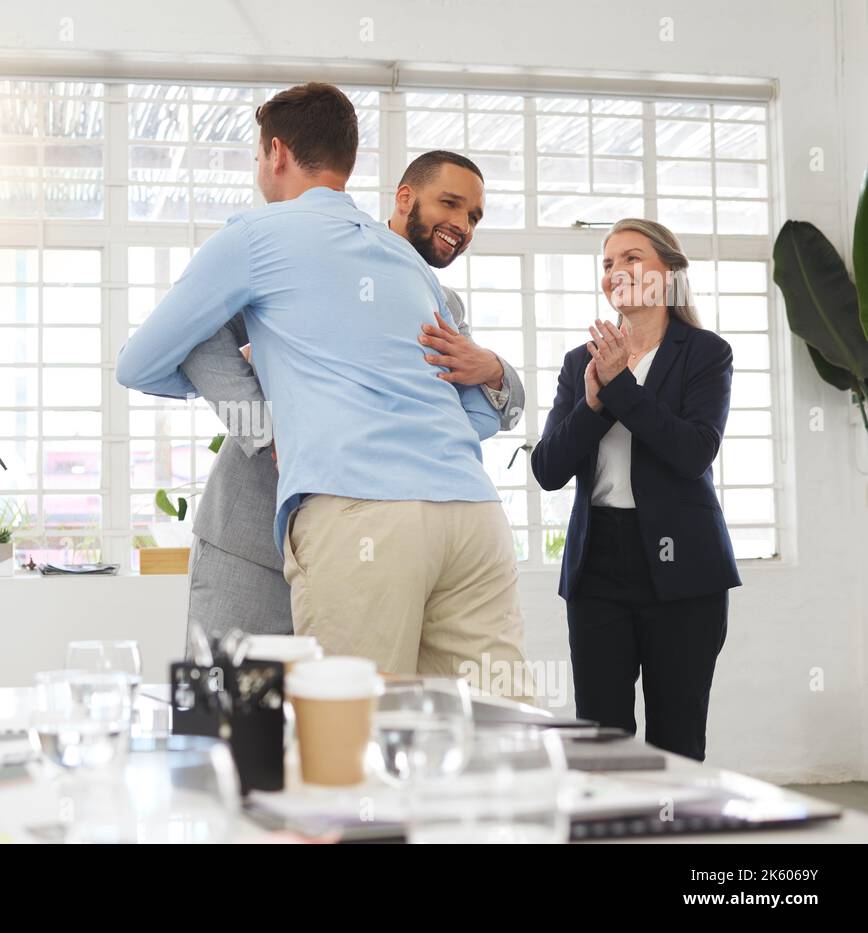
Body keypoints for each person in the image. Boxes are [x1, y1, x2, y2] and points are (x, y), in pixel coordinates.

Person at [118, 84, 530, 698]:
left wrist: (289, 398)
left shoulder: (257, 239)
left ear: (275, 153)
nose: (462, 224)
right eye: (452, 205)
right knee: (483, 721)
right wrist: (273, 404)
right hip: (468, 513)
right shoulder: (408, 268)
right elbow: (461, 412)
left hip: (352, 510)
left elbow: (140, 362)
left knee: (347, 723)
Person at [182, 150, 525, 649]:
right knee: (232, 707)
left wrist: (493, 369)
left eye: (473, 216)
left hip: (385, 529)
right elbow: (199, 334)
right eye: (449, 204)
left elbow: (477, 410)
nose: (462, 225)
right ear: (405, 197)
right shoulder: (300, 257)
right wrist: (268, 421)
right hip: (255, 533)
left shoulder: (442, 303)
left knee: (360, 703)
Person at [531, 218, 739, 760]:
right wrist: (595, 403)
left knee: (676, 739)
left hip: (683, 569)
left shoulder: (706, 353)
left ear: (668, 274)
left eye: (631, 258)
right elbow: (549, 467)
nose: (616, 271)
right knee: (600, 743)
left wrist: (619, 386)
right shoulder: (581, 362)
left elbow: (692, 451)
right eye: (607, 263)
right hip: (597, 563)